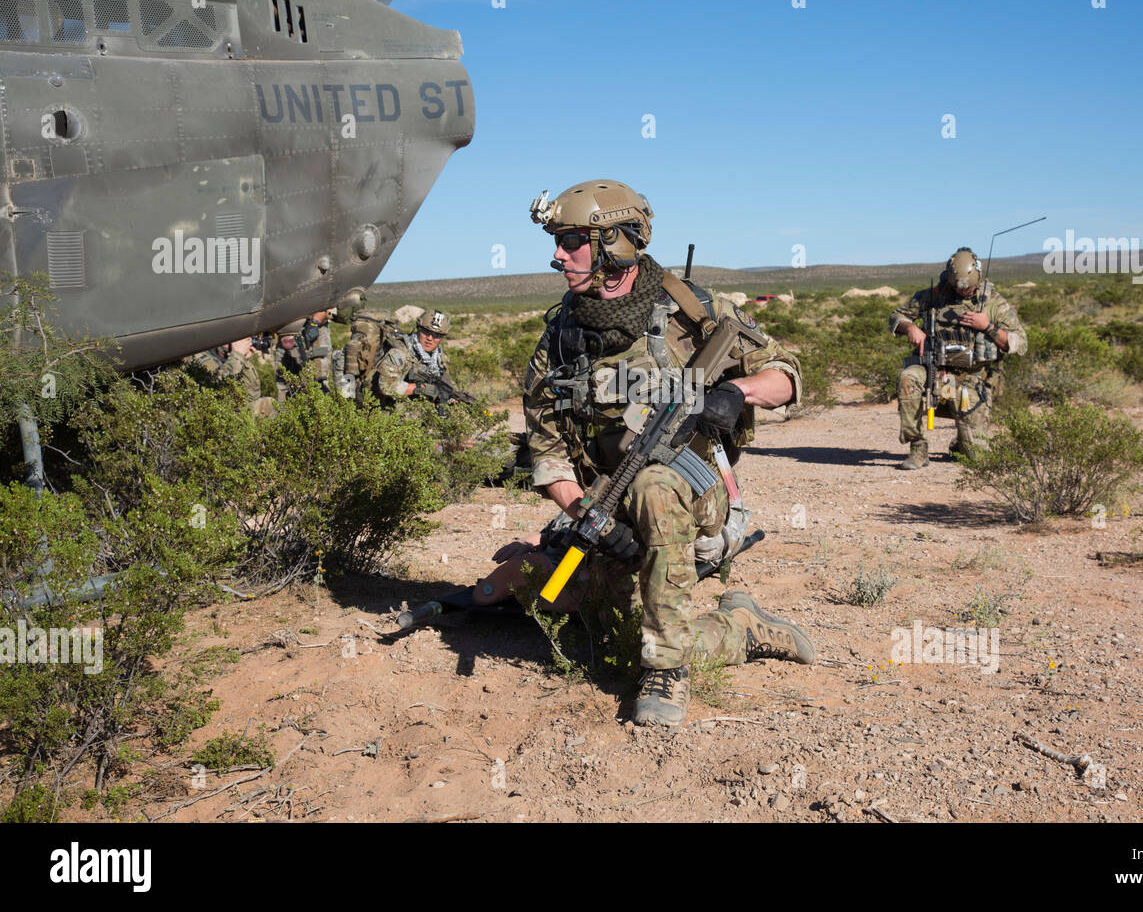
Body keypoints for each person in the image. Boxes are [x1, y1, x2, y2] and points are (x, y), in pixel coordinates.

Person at [464, 179, 816, 728]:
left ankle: (668, 671)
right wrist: (589, 518)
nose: (558, 254)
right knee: (612, 640)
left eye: (572, 240)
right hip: (608, 503)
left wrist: (734, 392)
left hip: (695, 493)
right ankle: (741, 627)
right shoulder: (561, 339)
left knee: (655, 489)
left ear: (616, 243)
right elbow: (547, 451)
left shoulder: (691, 311)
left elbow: (788, 377)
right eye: (559, 240)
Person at [889, 247, 1027, 469]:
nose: (963, 292)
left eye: (969, 288)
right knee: (908, 378)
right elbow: (896, 315)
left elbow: (1020, 343)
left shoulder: (994, 304)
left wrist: (988, 326)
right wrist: (910, 327)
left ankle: (963, 443)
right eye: (957, 287)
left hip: (972, 378)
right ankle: (918, 447)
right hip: (935, 370)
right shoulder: (932, 296)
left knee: (978, 459)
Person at [374, 309, 467, 408]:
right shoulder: (400, 353)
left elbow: (446, 381)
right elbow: (387, 387)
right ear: (418, 329)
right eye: (426, 332)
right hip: (390, 408)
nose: (430, 338)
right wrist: (422, 388)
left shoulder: (438, 357)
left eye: (437, 335)